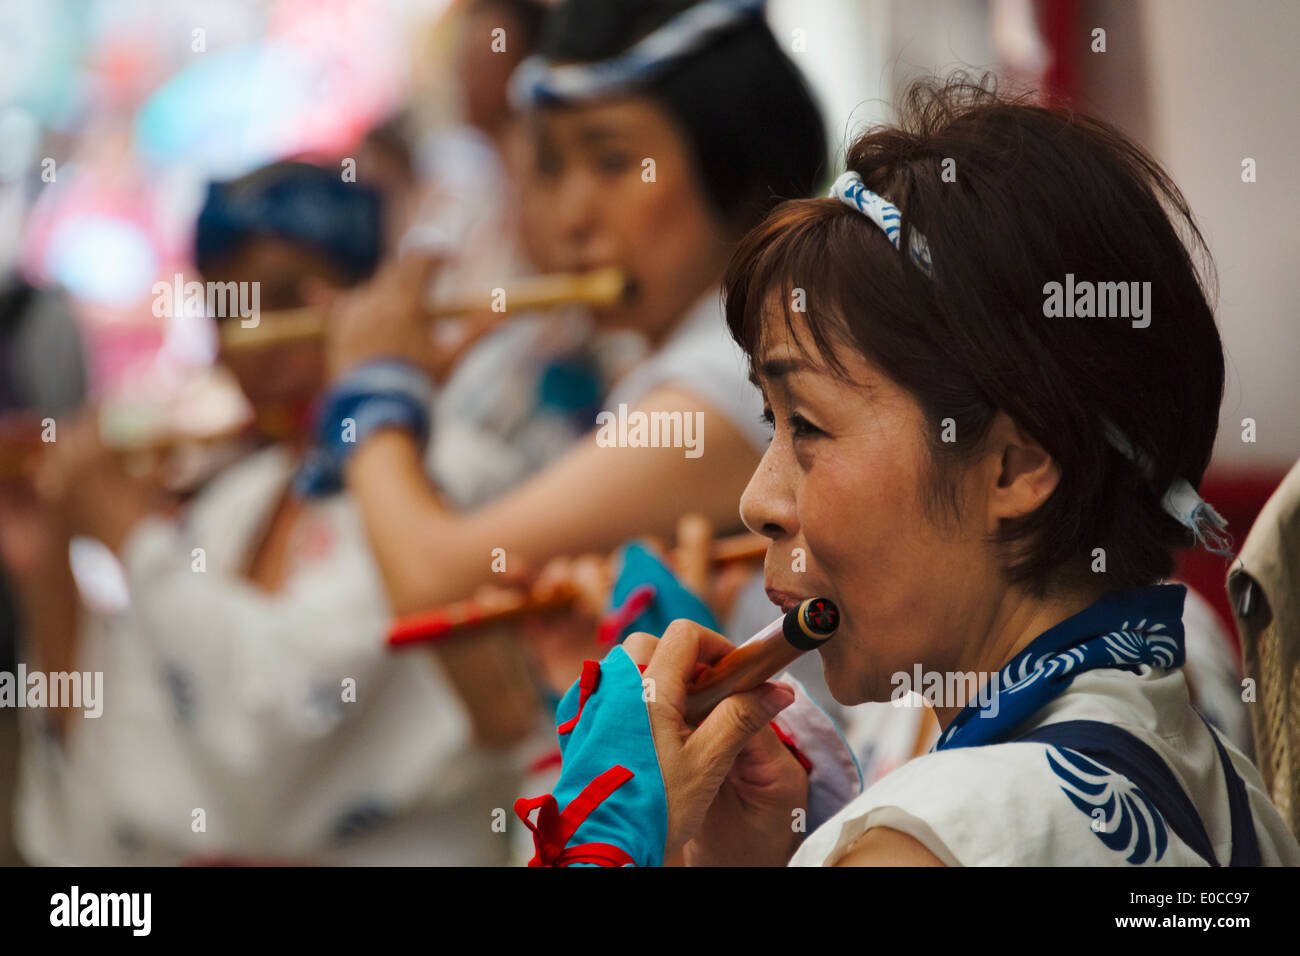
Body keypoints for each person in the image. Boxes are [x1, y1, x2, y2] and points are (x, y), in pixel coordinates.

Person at [512, 78, 1300, 867]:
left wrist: (598, 850)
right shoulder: (1235, 798)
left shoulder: (922, 844)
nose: (759, 503)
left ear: (1016, 467)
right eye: (770, 423)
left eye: (809, 427)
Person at [9, 161, 532, 865]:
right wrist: (46, 564)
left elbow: (280, 716)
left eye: (287, 299)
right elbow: (128, 759)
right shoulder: (238, 500)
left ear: (373, 303)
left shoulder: (446, 480)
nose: (255, 345)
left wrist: (133, 534)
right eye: (227, 311)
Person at [320, 0, 825, 640]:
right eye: (553, 168)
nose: (571, 216)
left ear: (743, 168)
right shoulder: (685, 358)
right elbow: (494, 705)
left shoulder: (738, 367)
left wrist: (375, 391)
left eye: (613, 162)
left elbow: (431, 583)